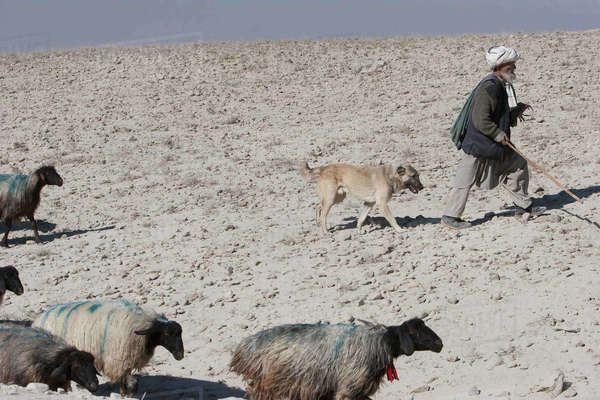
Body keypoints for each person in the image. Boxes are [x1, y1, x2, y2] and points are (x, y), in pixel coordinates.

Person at [442, 46, 544, 229]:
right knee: (464, 180)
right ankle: (450, 216)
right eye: (511, 65)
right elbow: (480, 119)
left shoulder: (499, 85)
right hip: (479, 144)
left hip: (491, 144)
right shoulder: (490, 87)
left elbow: (496, 115)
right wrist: (498, 134)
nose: (514, 68)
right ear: (501, 65)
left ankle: (523, 206)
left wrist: (514, 112)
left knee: (517, 164)